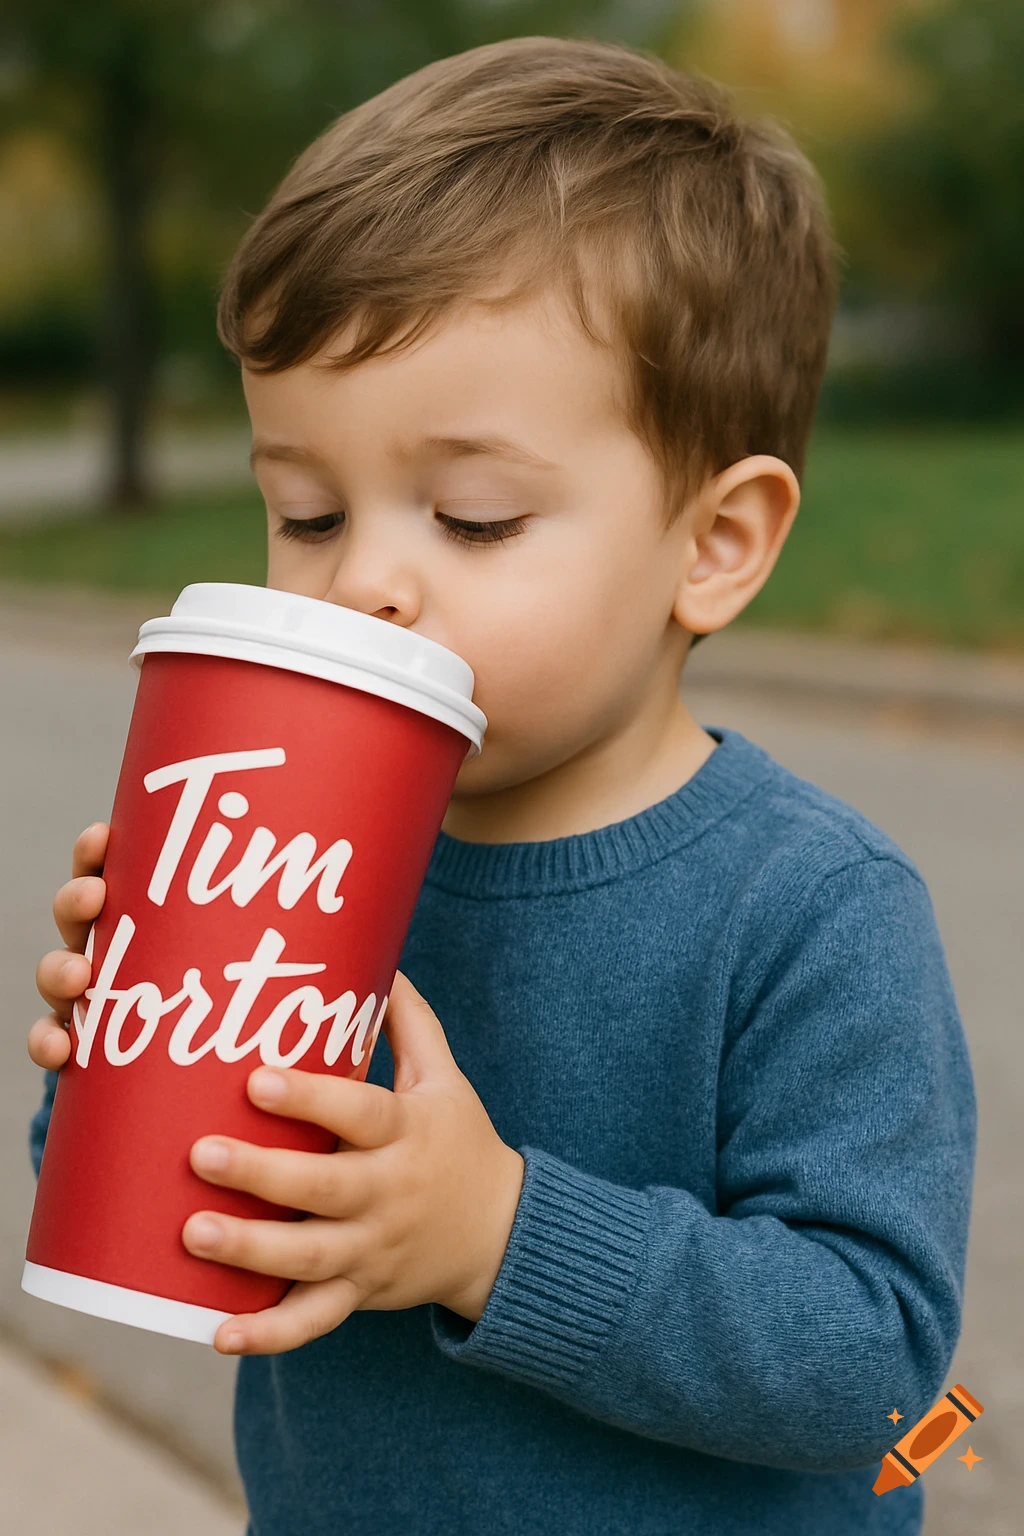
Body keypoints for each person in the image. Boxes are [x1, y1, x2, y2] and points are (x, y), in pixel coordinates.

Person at [26, 36, 975, 1536]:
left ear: (714, 544)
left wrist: (497, 1236)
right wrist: (132, 1047)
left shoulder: (807, 906)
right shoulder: (296, 854)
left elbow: (874, 1366)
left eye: (472, 519)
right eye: (308, 509)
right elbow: (212, 1211)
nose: (365, 583)